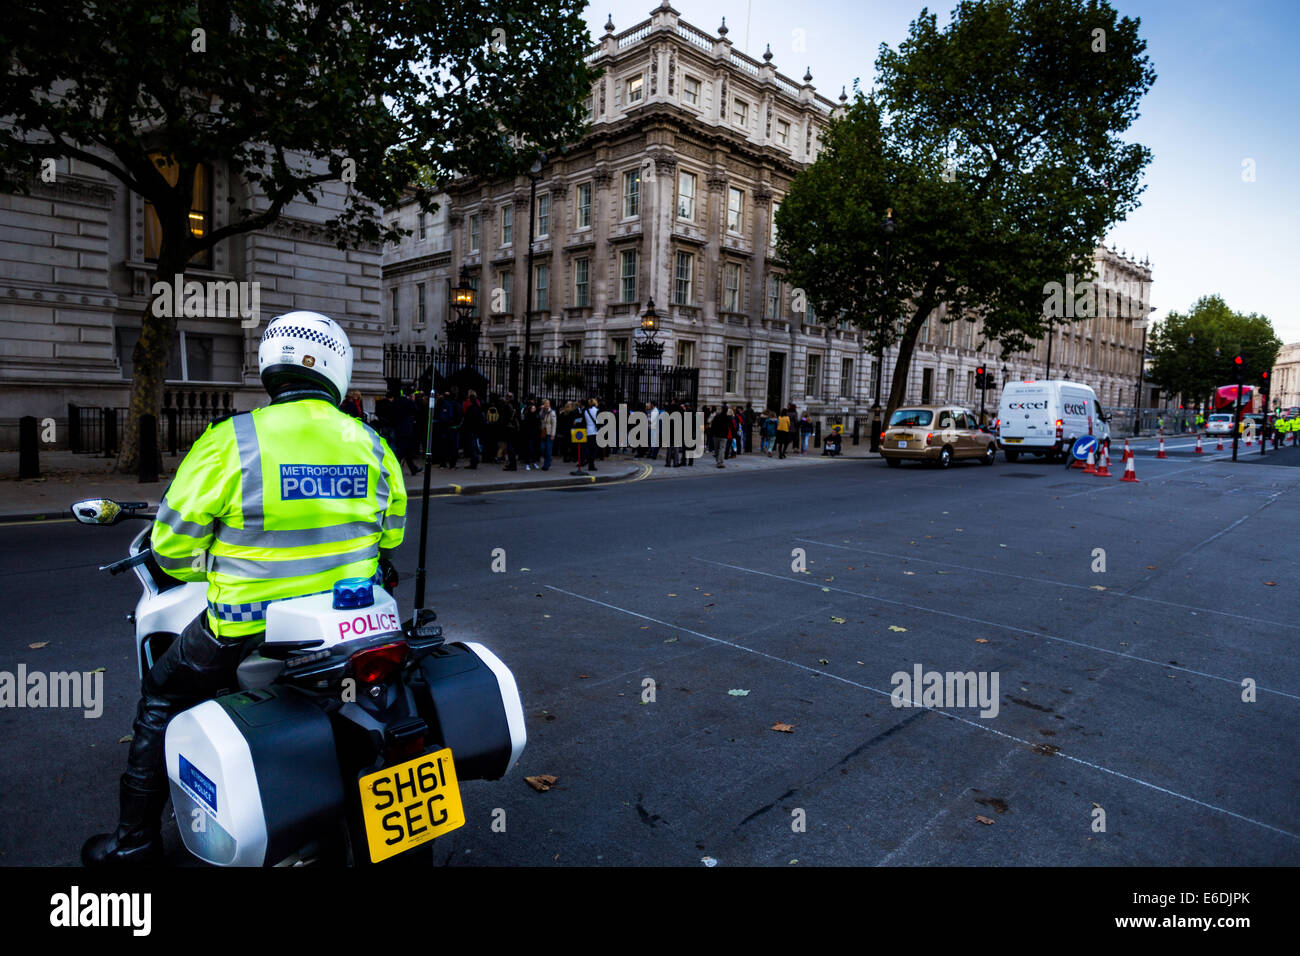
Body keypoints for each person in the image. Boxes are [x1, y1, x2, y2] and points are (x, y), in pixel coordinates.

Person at [81, 310, 406, 866]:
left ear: (268, 368)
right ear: (339, 370)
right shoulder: (373, 446)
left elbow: (174, 554)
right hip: (349, 629)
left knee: (161, 695)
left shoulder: (229, 440)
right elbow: (388, 536)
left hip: (242, 630)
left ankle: (132, 843)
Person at [710, 404, 730, 468]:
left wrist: (713, 433)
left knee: (717, 449)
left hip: (716, 435)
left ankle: (718, 461)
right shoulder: (727, 418)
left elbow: (713, 425)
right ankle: (720, 462)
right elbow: (730, 426)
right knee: (722, 449)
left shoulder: (717, 416)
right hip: (723, 435)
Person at [539, 398, 555, 470]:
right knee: (542, 448)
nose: (547, 404)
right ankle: (548, 461)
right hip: (543, 432)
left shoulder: (552, 412)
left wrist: (552, 434)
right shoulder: (542, 412)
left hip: (549, 433)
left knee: (548, 449)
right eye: (546, 403)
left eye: (548, 403)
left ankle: (547, 464)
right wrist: (541, 410)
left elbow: (554, 424)